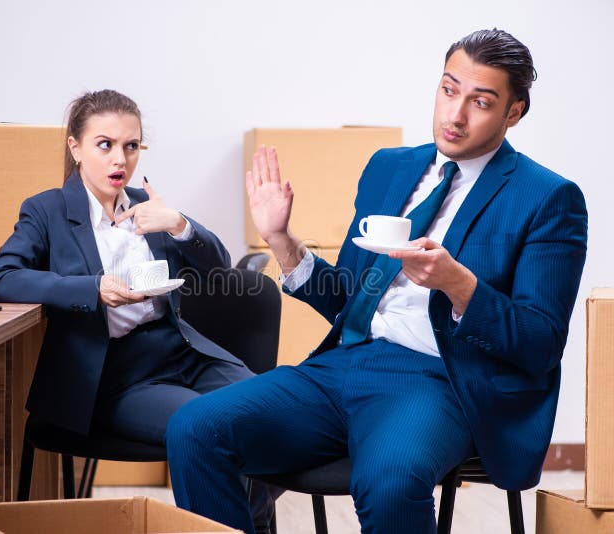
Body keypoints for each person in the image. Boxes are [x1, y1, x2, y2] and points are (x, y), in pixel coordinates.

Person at [166, 29, 588, 534]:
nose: (455, 115)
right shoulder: (390, 168)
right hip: (342, 365)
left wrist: (458, 285)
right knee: (195, 428)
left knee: (390, 482)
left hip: (438, 380)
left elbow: (540, 343)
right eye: (449, 90)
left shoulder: (547, 198)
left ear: (513, 112)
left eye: (480, 102)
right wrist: (280, 238)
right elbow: (349, 299)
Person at [0, 89, 258, 459]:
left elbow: (219, 270)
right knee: (212, 427)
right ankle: (227, 499)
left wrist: (178, 224)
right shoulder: (48, 210)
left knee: (271, 412)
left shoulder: (147, 205)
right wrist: (92, 288)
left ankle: (254, 501)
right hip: (113, 374)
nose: (120, 159)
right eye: (105, 145)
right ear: (76, 148)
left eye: (131, 146)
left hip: (179, 350)